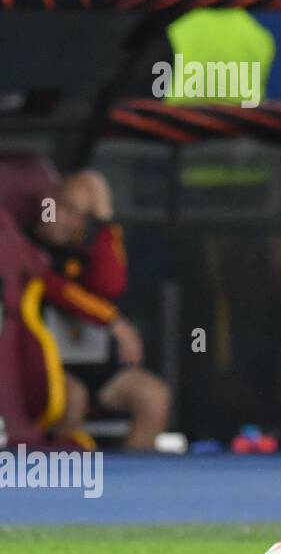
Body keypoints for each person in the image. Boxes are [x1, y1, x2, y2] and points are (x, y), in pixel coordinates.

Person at [26, 171, 172, 451]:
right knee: (72, 400)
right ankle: (70, 484)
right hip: (53, 368)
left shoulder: (84, 253)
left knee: (154, 396)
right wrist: (113, 321)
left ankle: (133, 485)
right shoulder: (27, 246)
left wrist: (106, 221)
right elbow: (54, 287)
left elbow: (111, 286)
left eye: (82, 215)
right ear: (49, 201)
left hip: (99, 367)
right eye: (66, 208)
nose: (71, 221)